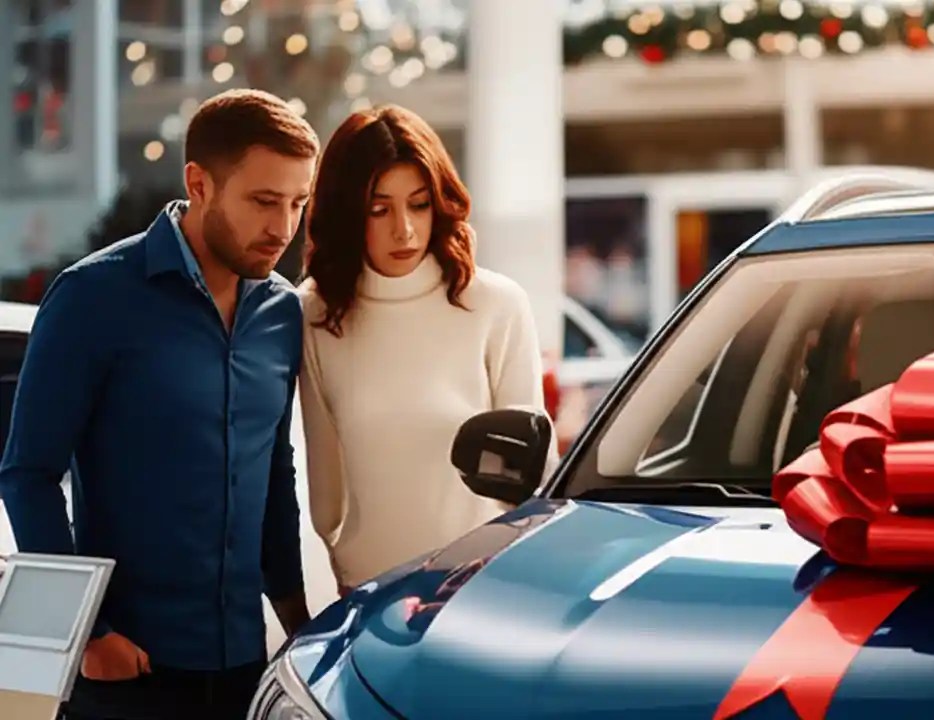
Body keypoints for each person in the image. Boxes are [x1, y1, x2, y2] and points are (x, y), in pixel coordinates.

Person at [0, 89, 317, 720]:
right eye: (263, 201)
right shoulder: (92, 297)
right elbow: (27, 474)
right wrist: (87, 637)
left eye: (297, 202)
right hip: (126, 671)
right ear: (199, 184)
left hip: (244, 666)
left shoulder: (283, 312)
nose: (283, 228)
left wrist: (297, 619)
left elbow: (272, 473)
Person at [299, 104, 550, 595]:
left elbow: (532, 481)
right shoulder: (315, 314)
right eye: (379, 210)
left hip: (481, 587)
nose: (405, 230)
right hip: (368, 591)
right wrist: (347, 572)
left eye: (418, 205)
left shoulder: (496, 304)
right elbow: (325, 497)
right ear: (348, 213)